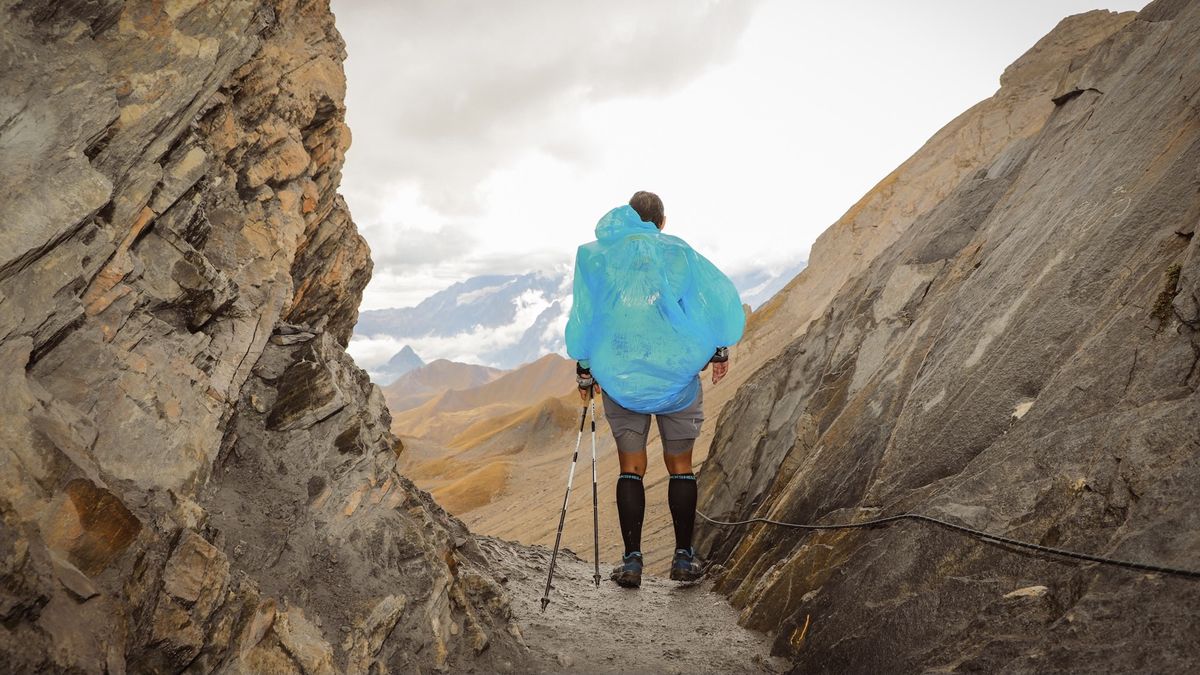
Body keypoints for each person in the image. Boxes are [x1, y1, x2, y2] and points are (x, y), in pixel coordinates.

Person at [565, 190, 745, 588]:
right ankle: (684, 559)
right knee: (680, 466)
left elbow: (586, 316)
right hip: (675, 380)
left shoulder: (596, 257)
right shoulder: (677, 254)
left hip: (622, 381)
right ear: (661, 223)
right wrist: (718, 351)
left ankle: (632, 562)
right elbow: (707, 306)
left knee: (631, 467)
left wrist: (584, 372)